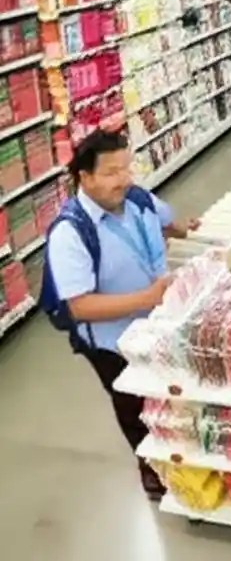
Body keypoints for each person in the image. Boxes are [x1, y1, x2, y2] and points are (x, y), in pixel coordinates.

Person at [41, 128, 197, 500]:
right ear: (85, 177)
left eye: (127, 168)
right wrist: (147, 297)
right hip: (114, 344)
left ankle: (184, 456)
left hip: (159, 322)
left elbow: (164, 221)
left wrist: (185, 230)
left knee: (172, 393)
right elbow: (79, 306)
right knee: (135, 406)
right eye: (111, 172)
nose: (124, 179)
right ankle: (151, 470)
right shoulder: (70, 233)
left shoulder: (137, 198)